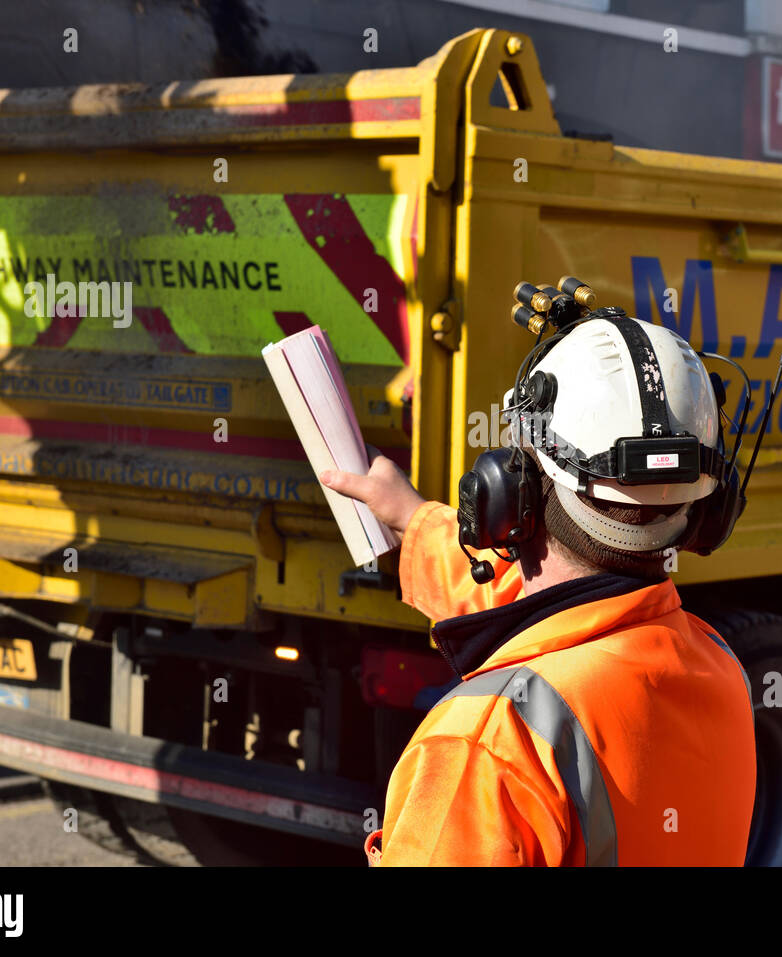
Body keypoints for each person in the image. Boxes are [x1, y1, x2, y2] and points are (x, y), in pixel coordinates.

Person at [320, 305, 757, 866]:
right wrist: (410, 516)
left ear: (507, 500)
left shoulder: (487, 742)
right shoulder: (718, 670)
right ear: (705, 512)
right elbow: (550, 617)